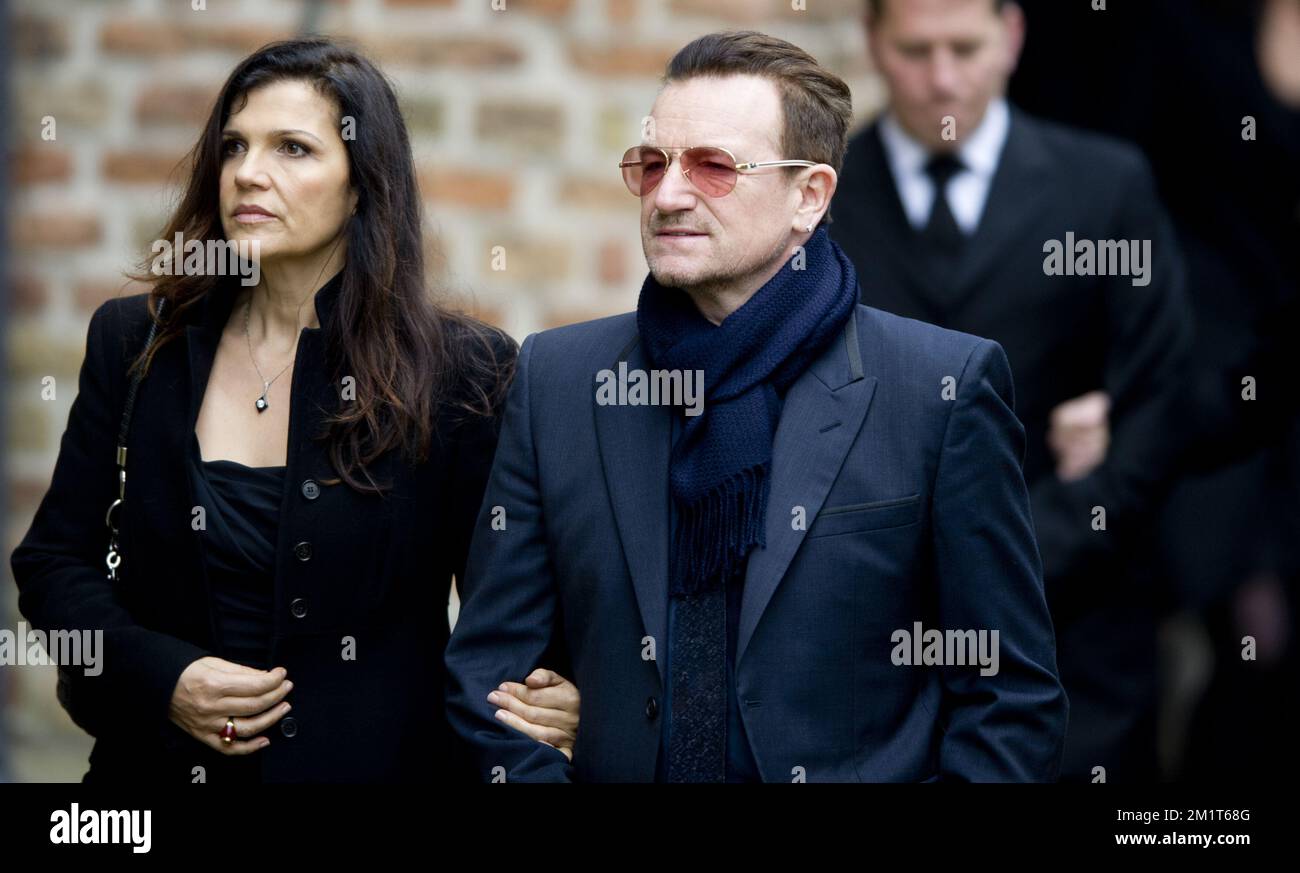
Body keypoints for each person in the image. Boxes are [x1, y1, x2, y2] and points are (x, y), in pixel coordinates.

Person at [445, 30, 1067, 782]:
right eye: (651, 164)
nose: (669, 195)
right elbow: (491, 680)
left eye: (713, 167)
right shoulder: (558, 380)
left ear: (810, 196)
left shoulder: (939, 388)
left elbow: (1009, 700)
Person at [10, 37, 578, 783]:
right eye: (235, 146)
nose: (249, 172)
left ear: (360, 185)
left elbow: (507, 606)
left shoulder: (461, 371)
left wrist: (557, 691)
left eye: (293, 150)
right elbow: (53, 563)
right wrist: (163, 677)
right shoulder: (137, 343)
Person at [830, 0, 1192, 780]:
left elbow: (1158, 402)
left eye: (965, 47)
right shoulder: (819, 200)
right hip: (866, 643)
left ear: (1014, 36)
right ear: (872, 46)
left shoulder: (1105, 187)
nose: (943, 78)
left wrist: (1013, 559)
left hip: (1076, 637)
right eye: (915, 50)